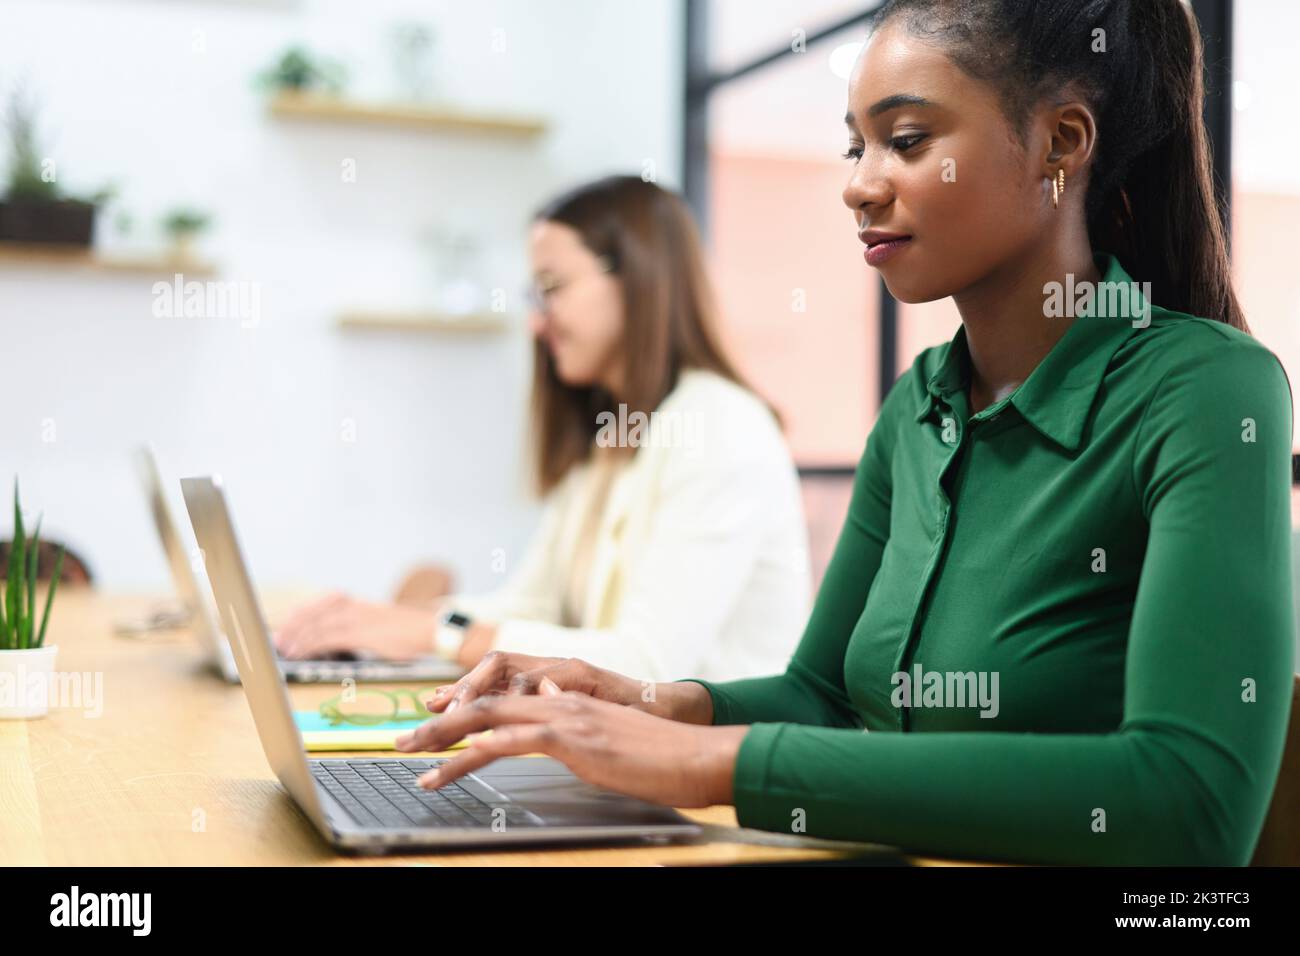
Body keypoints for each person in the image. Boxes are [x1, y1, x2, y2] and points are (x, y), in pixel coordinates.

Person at [396, 0, 1296, 866]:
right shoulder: (920, 406)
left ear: (1060, 145)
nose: (858, 184)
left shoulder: (1208, 390)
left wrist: (708, 764)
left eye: (906, 141)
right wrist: (645, 701)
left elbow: (1190, 803)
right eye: (854, 144)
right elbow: (820, 696)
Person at [275, 175, 811, 683]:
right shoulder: (614, 433)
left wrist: (432, 633)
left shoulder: (720, 427)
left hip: (718, 769)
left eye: (551, 288)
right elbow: (534, 604)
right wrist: (374, 624)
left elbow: (646, 666)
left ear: (639, 277)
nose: (535, 323)